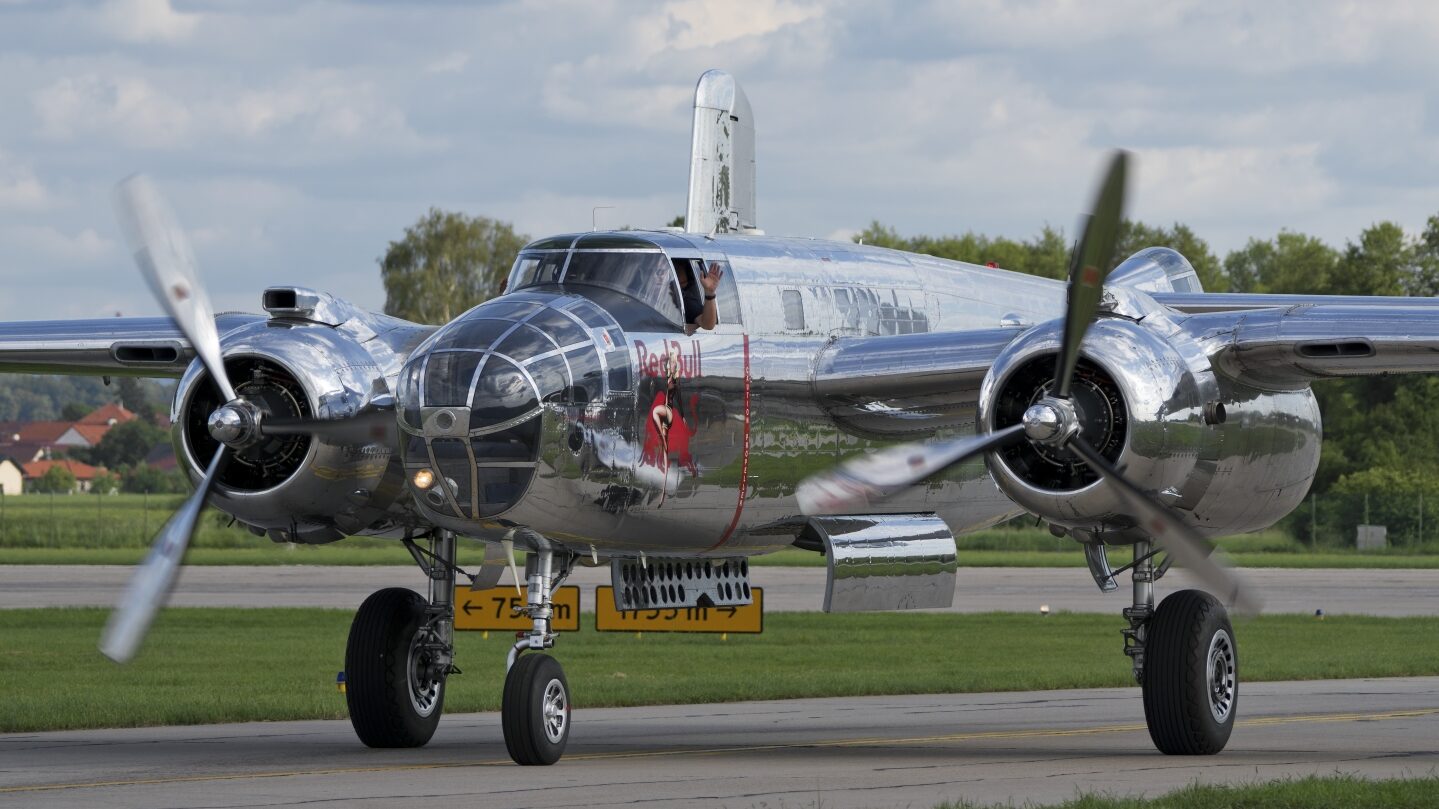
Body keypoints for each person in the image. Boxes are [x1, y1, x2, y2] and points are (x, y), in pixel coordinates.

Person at [675, 260, 722, 332]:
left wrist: (709, 293)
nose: (659, 276)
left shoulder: (682, 300)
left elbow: (707, 325)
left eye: (662, 271)